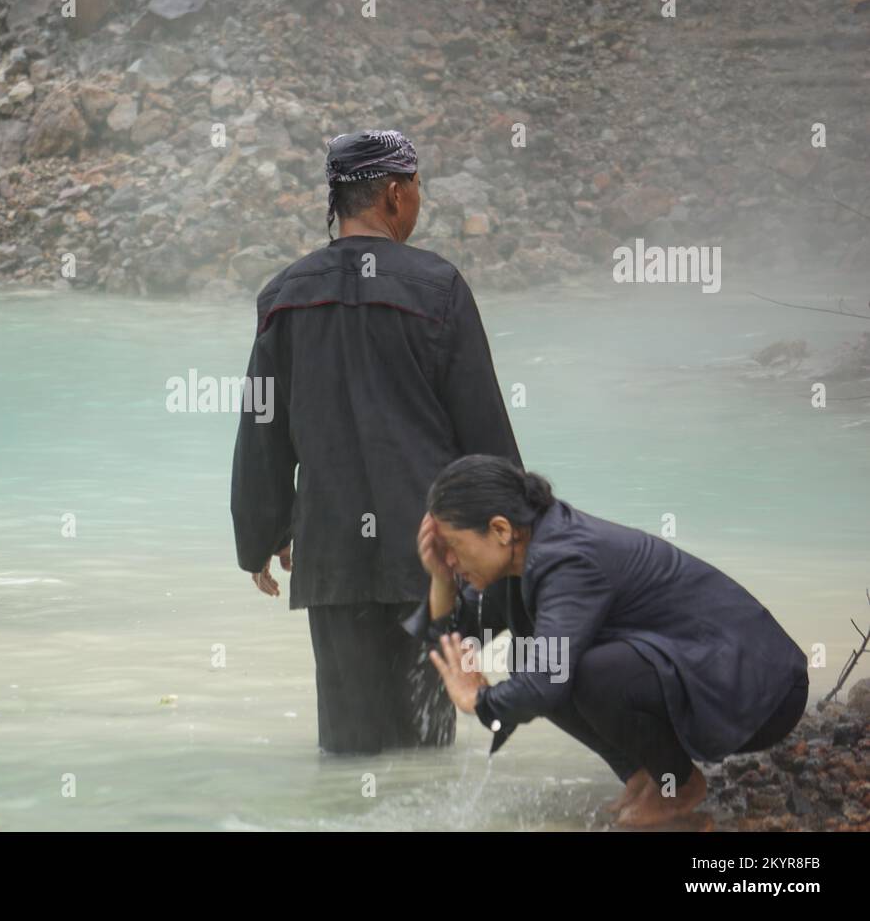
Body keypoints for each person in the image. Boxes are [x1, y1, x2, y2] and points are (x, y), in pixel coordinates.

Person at [230, 129, 523, 754]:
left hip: (332, 556)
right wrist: (514, 543)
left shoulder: (283, 297)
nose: (418, 200)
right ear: (394, 194)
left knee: (348, 748)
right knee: (426, 747)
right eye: (416, 187)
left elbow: (263, 428)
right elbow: (483, 434)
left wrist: (261, 534)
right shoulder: (438, 288)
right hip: (434, 556)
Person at [416, 454, 809, 827]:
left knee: (580, 671)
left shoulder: (566, 560)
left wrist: (479, 701)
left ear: (500, 530)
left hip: (764, 694)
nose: (449, 558)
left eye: (452, 547)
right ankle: (644, 776)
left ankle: (677, 785)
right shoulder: (519, 556)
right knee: (529, 656)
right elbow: (451, 643)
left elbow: (545, 682)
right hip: (703, 669)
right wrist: (440, 578)